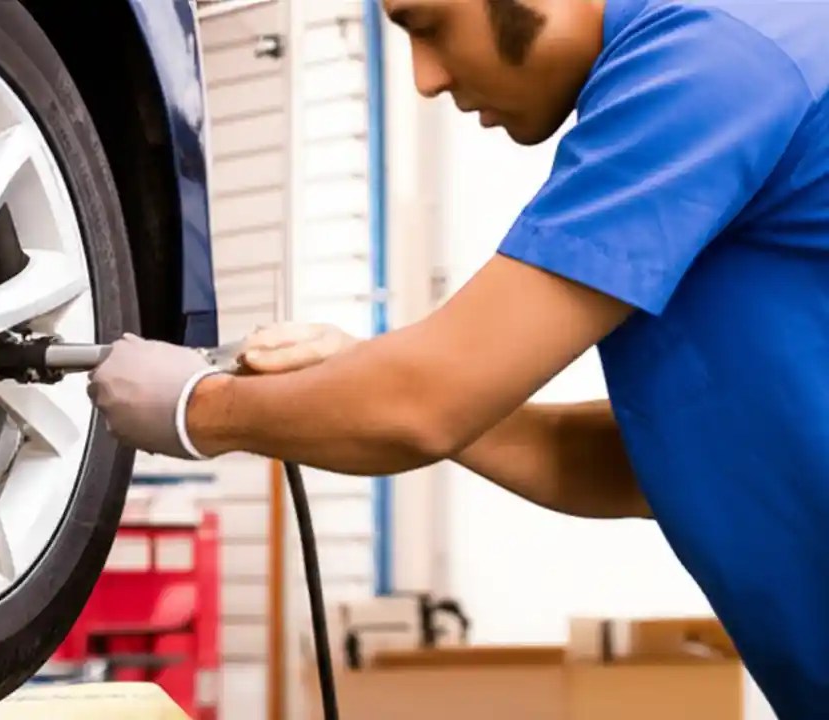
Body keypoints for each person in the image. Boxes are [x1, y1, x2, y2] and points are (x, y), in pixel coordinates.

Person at [87, 0, 829, 714]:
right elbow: (638, 463)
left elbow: (423, 407)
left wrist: (197, 409)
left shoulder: (708, 58)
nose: (424, 78)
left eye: (428, 25)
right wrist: (359, 372)